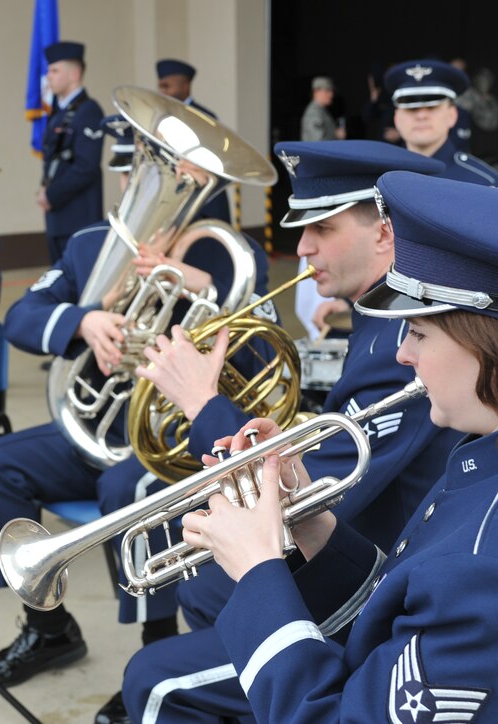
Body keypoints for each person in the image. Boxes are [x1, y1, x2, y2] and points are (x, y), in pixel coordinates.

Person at [173, 171, 498, 722]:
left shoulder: (497, 584)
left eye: (418, 333)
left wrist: (257, 570)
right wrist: (313, 525)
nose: (403, 356)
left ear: (496, 349)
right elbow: (410, 608)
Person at [121, 141, 464, 722]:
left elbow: (325, 482)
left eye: (322, 228)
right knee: (201, 591)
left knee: (153, 679)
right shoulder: (377, 316)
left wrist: (203, 402)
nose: (302, 249)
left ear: (385, 231)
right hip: (361, 544)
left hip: (378, 566)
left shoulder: (399, 338)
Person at [0, 115, 273, 697]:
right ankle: (48, 628)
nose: (168, 185)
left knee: (124, 493)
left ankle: (155, 652)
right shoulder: (88, 247)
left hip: (181, 434)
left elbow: (262, 356)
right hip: (99, 425)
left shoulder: (230, 256)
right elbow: (21, 319)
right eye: (157, 170)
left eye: (188, 174)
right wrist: (82, 320)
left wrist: (204, 287)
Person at [385, 59, 498, 186]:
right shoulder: (376, 180)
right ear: (396, 117)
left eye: (432, 107)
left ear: (452, 115)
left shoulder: (487, 184)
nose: (421, 115)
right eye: (411, 107)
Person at [37, 41, 104, 264]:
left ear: (74, 73)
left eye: (54, 71)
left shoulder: (88, 111)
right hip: (57, 217)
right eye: (48, 71)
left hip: (78, 217)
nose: (48, 77)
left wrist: (52, 194)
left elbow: (86, 166)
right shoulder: (59, 113)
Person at [155, 59, 231, 223]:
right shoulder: (161, 117)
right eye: (160, 86)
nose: (162, 91)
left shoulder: (205, 118)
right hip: (173, 203)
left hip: (205, 204)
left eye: (167, 86)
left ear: (185, 86)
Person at [300, 77, 344, 142]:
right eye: (327, 90)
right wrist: (336, 135)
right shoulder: (314, 112)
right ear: (316, 92)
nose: (331, 94)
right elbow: (318, 142)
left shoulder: (321, 110)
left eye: (331, 91)